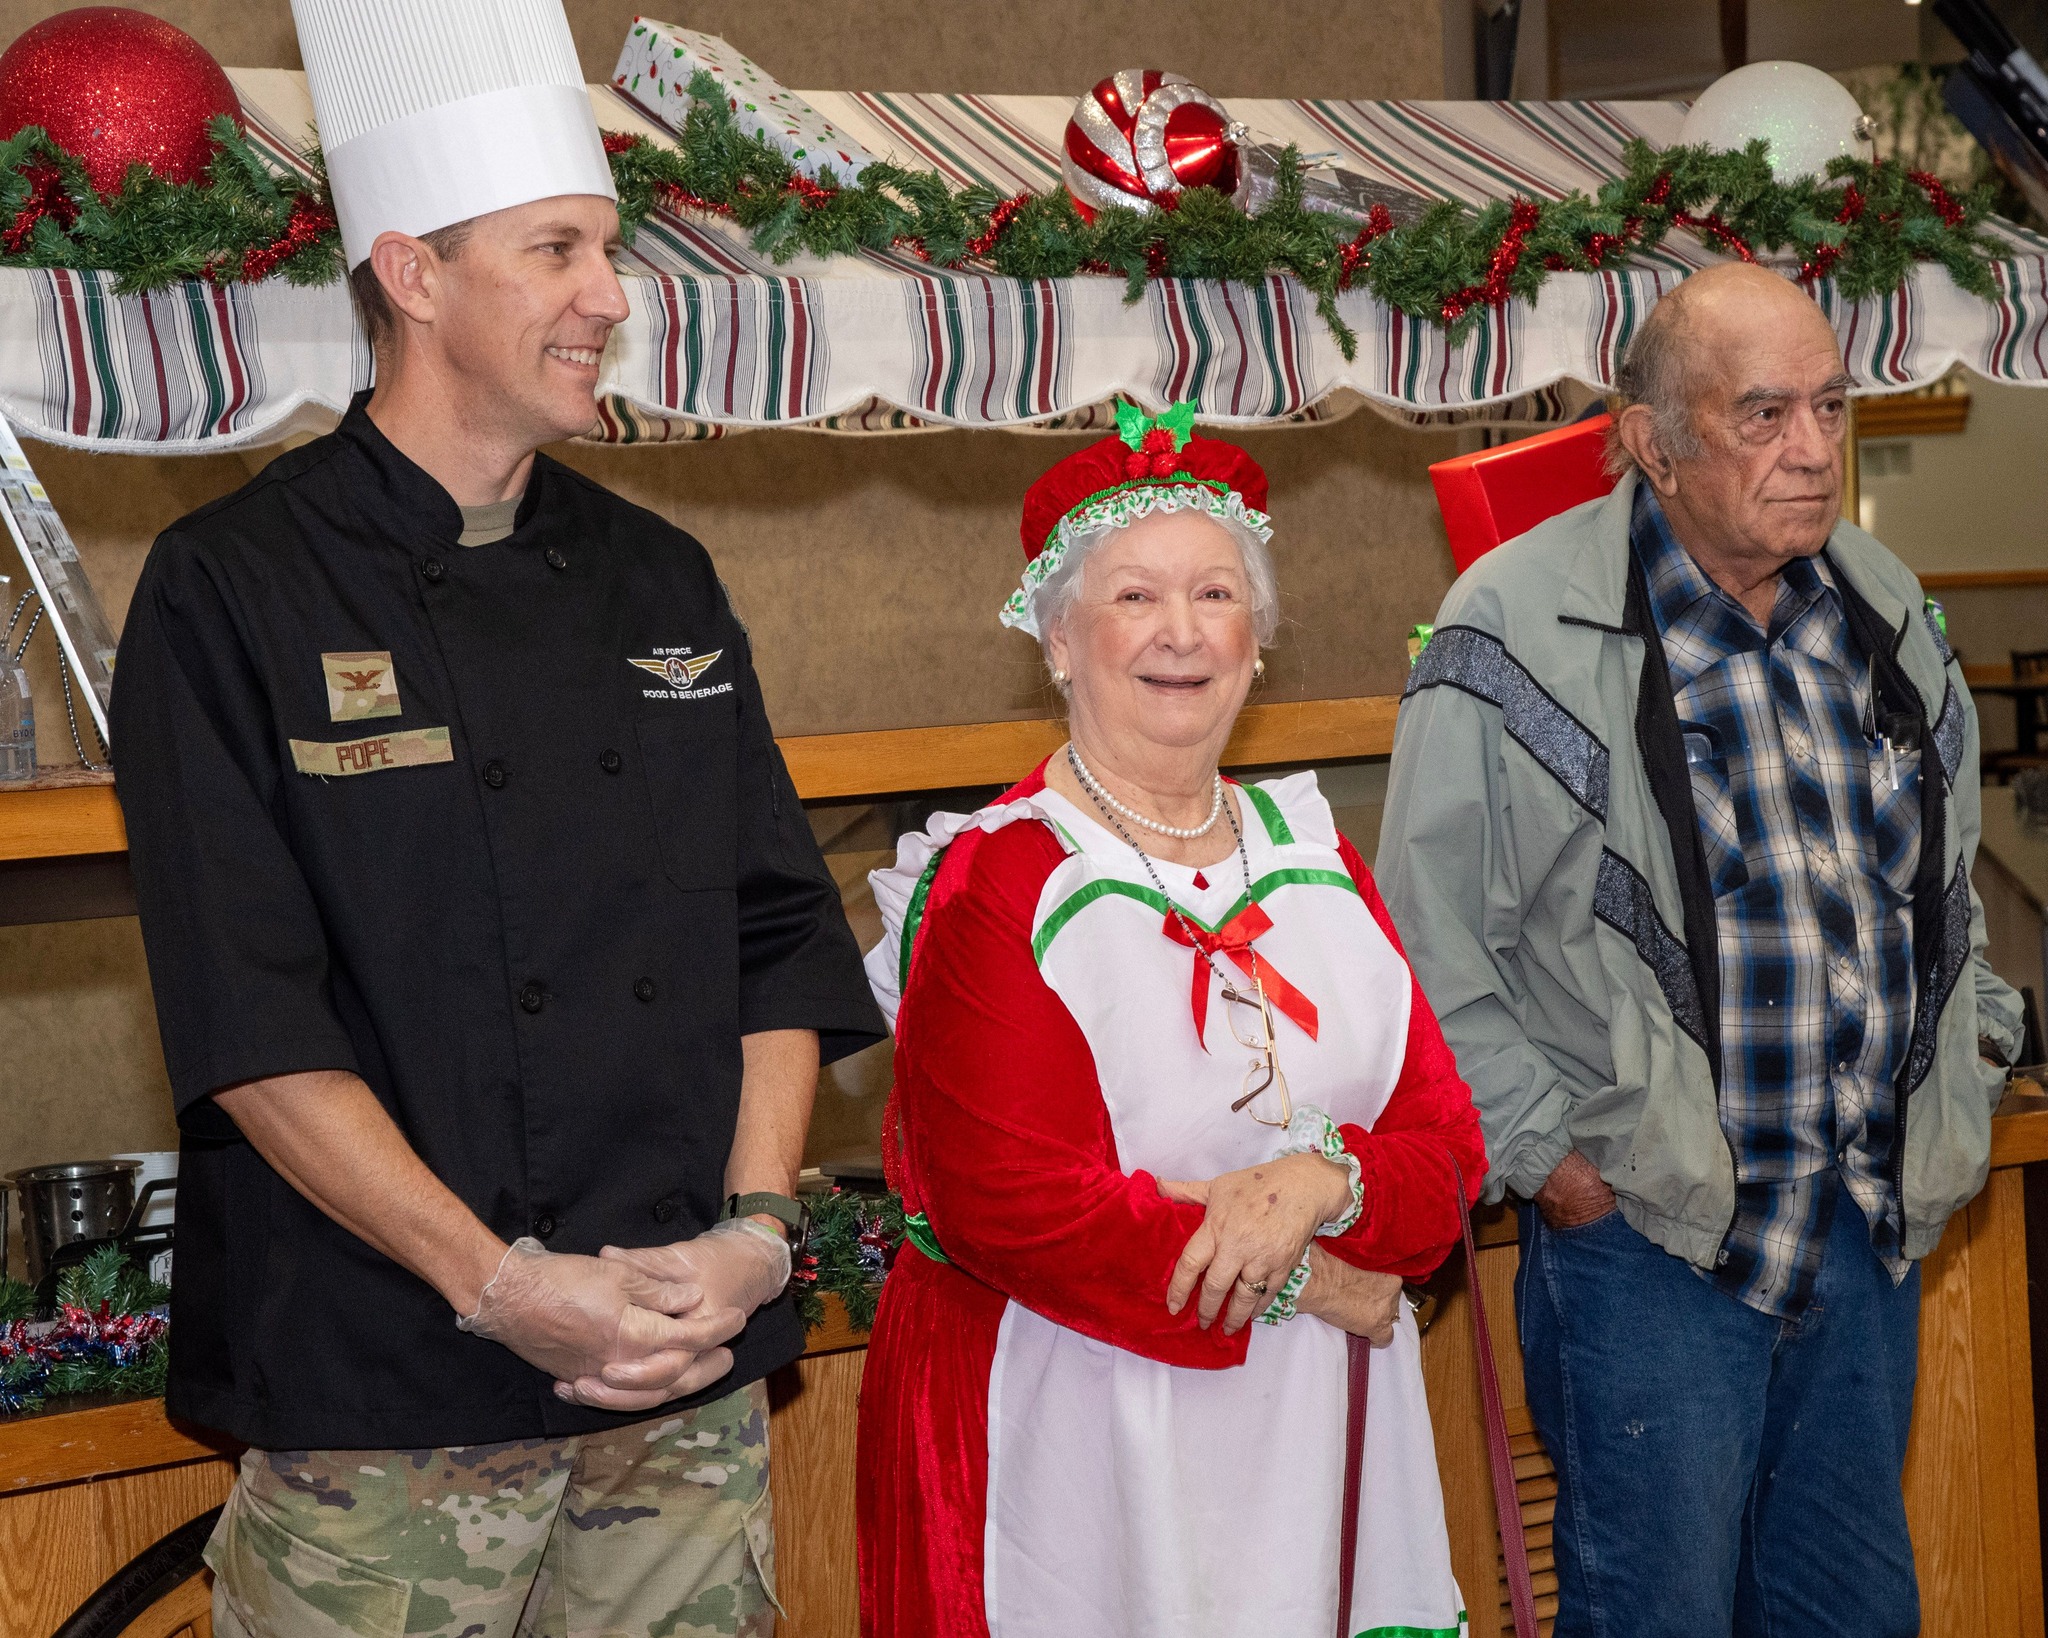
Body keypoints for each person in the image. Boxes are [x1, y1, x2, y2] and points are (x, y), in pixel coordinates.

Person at [109, 2, 884, 1633]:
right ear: (412, 273)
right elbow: (251, 1020)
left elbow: (772, 936)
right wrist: (498, 1281)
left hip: (682, 1386)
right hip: (389, 1411)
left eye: (607, 250)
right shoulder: (232, 587)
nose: (608, 296)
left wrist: (753, 1235)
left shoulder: (657, 574)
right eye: (556, 250)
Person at [1376, 262, 2025, 1638]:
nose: (1812, 451)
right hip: (1651, 1234)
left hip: (1863, 1224)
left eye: (1832, 407)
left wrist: (1969, 1046)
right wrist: (1556, 1167)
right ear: (1652, 441)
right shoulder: (1512, 623)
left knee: (1854, 1615)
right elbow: (1428, 938)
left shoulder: (1882, 597)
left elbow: (1946, 880)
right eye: (1765, 412)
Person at [855, 404, 1487, 1638]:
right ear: (1056, 641)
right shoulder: (1001, 878)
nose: (1182, 632)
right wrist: (1311, 1278)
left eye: (1214, 594)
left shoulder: (1315, 857)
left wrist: (1317, 1185)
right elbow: (1016, 1204)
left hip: (1319, 1432)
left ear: (1257, 641)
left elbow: (1448, 1148)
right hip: (1095, 1427)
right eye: (1134, 598)